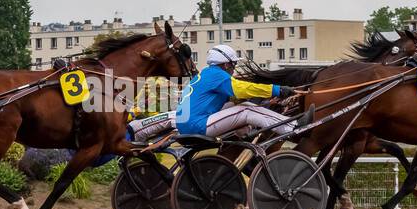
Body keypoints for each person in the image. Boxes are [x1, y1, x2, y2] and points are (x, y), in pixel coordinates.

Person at [128, 44, 300, 142]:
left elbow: (237, 98)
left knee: (242, 106)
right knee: (246, 111)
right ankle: (294, 126)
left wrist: (269, 100)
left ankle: (245, 135)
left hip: (187, 123)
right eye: (233, 64)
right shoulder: (218, 75)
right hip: (197, 125)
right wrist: (277, 89)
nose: (234, 68)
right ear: (226, 64)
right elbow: (242, 88)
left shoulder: (206, 73)